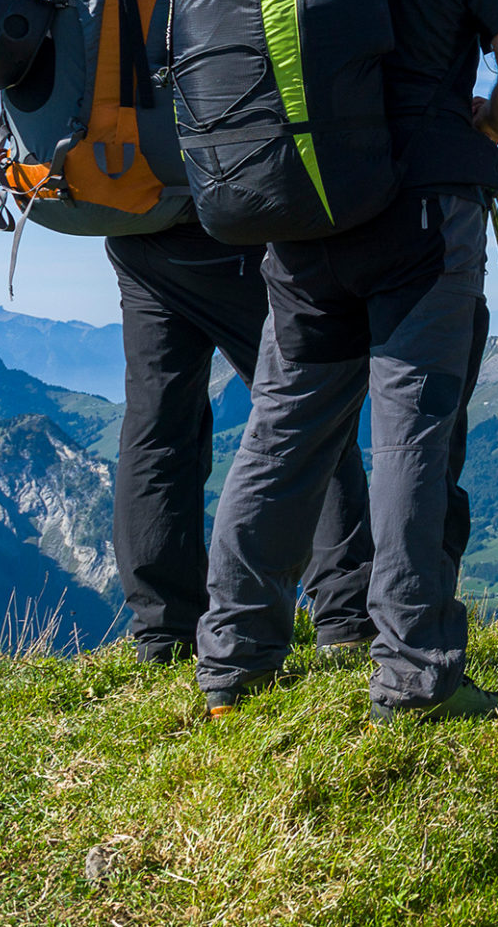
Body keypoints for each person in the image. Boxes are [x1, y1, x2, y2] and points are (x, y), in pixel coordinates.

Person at [196, 0, 498, 721]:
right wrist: (490, 126)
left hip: (304, 208)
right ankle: (415, 678)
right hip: (427, 212)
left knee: (281, 432)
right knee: (412, 438)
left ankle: (233, 664)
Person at [107, 222, 372, 665]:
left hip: (136, 226)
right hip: (228, 226)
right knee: (312, 409)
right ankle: (345, 619)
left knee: (156, 433)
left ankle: (164, 635)